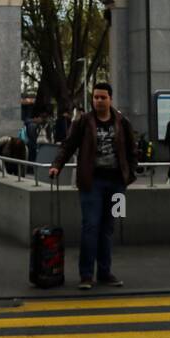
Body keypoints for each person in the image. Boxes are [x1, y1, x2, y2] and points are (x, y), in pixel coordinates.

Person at [50, 82, 136, 289]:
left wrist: (130, 173)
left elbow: (132, 149)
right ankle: (86, 275)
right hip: (91, 182)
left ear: (110, 99)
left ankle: (105, 272)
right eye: (96, 97)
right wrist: (56, 166)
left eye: (103, 97)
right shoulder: (83, 121)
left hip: (117, 183)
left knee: (109, 227)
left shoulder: (122, 122)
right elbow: (68, 145)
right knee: (90, 226)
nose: (98, 101)